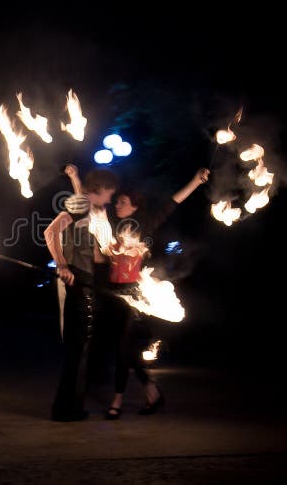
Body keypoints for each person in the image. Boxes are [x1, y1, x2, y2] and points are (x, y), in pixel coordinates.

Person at [65, 165, 209, 419]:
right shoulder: (108, 223)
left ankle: (117, 401)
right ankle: (151, 390)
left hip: (133, 295)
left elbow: (173, 201)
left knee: (123, 346)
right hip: (111, 293)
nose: (116, 204)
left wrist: (196, 181)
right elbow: (86, 206)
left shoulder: (145, 223)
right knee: (126, 348)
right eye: (116, 200)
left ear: (134, 206)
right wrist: (75, 178)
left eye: (122, 201)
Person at [44, 168, 118, 421]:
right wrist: (61, 264)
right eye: (109, 193)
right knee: (79, 349)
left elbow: (92, 245)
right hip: (77, 280)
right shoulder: (82, 205)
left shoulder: (91, 210)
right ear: (99, 189)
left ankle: (70, 407)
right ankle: (66, 409)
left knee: (82, 350)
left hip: (87, 280)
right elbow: (50, 232)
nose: (110, 199)